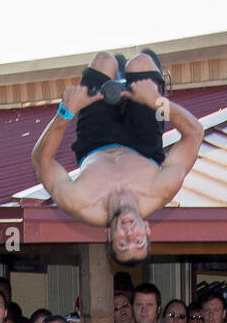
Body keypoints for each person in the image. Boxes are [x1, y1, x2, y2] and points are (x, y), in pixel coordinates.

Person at [31, 50, 203, 265]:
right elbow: (195, 134)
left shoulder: (80, 203)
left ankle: (118, 73)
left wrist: (66, 111)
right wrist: (158, 101)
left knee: (104, 61)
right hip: (143, 144)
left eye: (122, 243)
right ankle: (148, 81)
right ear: (147, 229)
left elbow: (41, 160)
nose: (129, 234)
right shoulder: (161, 190)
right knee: (141, 63)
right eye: (138, 241)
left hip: (96, 143)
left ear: (109, 237)